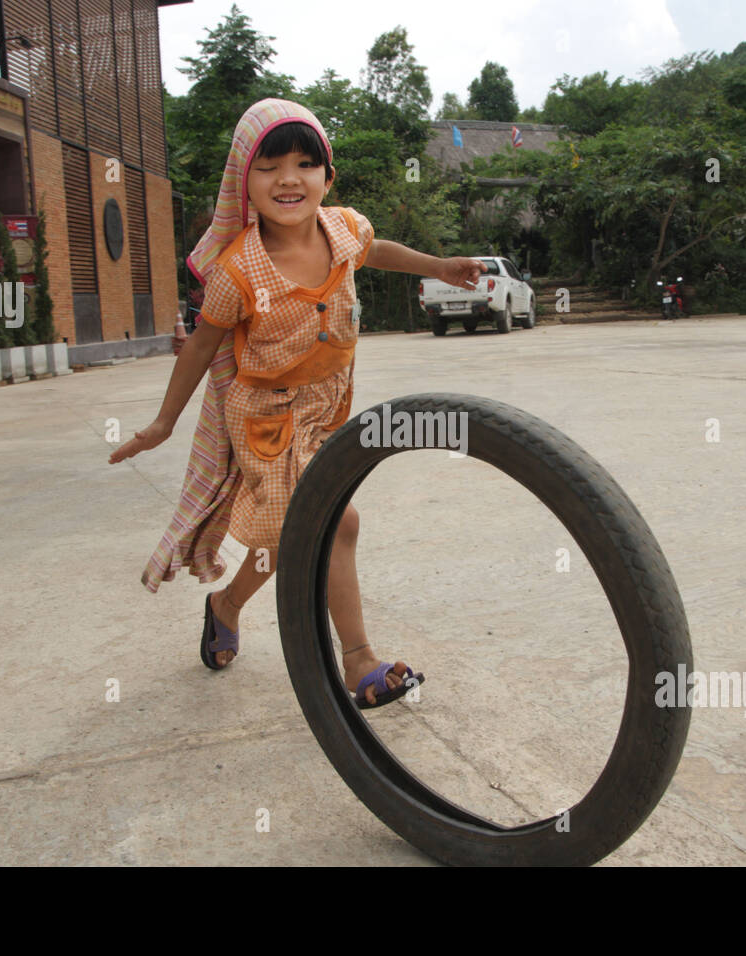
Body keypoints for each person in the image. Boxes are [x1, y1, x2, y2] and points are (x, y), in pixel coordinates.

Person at [109, 98, 484, 707]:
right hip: (265, 420)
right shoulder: (239, 272)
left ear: (326, 177)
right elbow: (203, 342)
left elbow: (377, 249)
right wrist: (162, 422)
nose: (289, 178)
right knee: (337, 521)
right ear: (243, 183)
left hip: (326, 406)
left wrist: (437, 265)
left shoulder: (344, 227)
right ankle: (359, 661)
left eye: (306, 163)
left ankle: (225, 605)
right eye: (269, 166)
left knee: (287, 540)